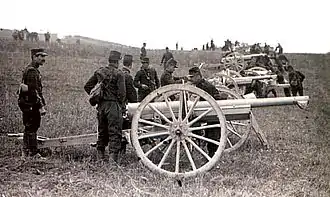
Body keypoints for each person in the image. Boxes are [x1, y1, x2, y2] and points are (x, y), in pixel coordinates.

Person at [84, 50, 126, 163]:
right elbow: (122, 94)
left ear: (109, 60)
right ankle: (113, 162)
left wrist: (97, 95)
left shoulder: (99, 71)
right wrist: (121, 105)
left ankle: (100, 158)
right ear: (117, 61)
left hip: (101, 106)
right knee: (115, 132)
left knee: (102, 131)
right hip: (113, 106)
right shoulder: (119, 74)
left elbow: (87, 86)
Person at [18, 48, 48, 159]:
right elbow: (34, 91)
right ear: (34, 57)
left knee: (29, 127)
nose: (43, 59)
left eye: (44, 56)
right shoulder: (32, 71)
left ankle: (25, 152)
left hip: (27, 104)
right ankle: (33, 154)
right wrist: (41, 106)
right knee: (32, 127)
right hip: (31, 104)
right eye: (41, 56)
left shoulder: (31, 69)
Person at [188, 66, 223, 157]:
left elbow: (217, 100)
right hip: (206, 113)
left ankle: (213, 155)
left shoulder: (206, 86)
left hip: (212, 114)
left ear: (198, 76)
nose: (190, 79)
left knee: (213, 136)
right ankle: (210, 153)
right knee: (209, 135)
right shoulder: (199, 85)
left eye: (192, 77)